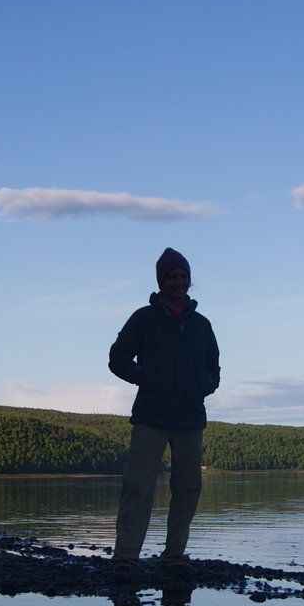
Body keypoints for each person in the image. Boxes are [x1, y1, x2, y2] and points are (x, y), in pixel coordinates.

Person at [109, 248, 220, 579]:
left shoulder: (202, 325)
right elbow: (118, 358)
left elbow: (213, 369)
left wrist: (202, 385)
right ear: (162, 281)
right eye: (172, 277)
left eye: (184, 276)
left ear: (189, 280)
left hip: (189, 418)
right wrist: (150, 379)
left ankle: (174, 554)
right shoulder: (143, 318)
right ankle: (126, 557)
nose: (179, 282)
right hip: (151, 416)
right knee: (137, 486)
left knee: (188, 487)